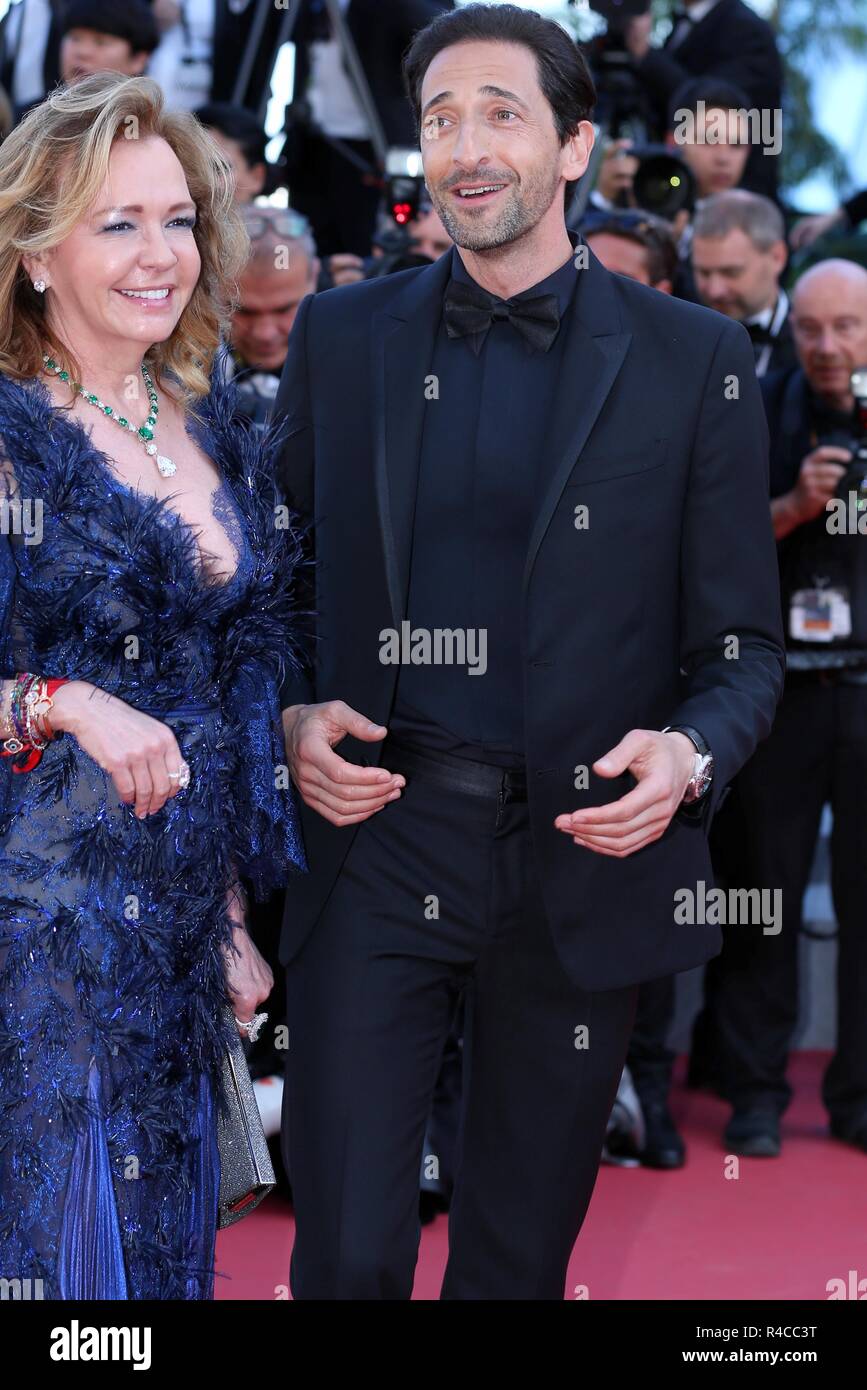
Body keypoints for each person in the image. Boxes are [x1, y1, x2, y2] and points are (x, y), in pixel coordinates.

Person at [273, 3, 784, 1300]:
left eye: (500, 110)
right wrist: (286, 715)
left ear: (574, 147)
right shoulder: (339, 341)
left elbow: (738, 646)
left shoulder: (692, 360)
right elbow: (279, 592)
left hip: (577, 858)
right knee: (342, 1253)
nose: (464, 143)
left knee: (510, 1262)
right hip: (376, 840)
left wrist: (685, 752)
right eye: (440, 117)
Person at [0, 71, 306, 1299]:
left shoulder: (211, 423)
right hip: (38, 948)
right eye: (115, 223)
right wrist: (60, 699)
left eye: (176, 219)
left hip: (175, 949)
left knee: (160, 1267)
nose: (159, 253)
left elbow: (222, 692)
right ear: (31, 253)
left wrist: (230, 913)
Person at [696, 259, 867, 1158]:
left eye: (847, 327)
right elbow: (714, 542)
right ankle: (753, 1093)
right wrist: (796, 506)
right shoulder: (756, 404)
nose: (828, 347)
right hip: (783, 693)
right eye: (811, 328)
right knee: (759, 902)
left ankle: (859, 1099)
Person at [624, 0, 783, 200]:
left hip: (739, 206)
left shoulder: (747, 28)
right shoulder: (681, 25)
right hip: (672, 192)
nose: (723, 154)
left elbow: (710, 102)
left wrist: (647, 56)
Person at [691, 190, 797, 378]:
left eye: (731, 272)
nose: (715, 291)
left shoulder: (811, 342)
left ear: (777, 257)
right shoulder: (681, 334)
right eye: (703, 273)